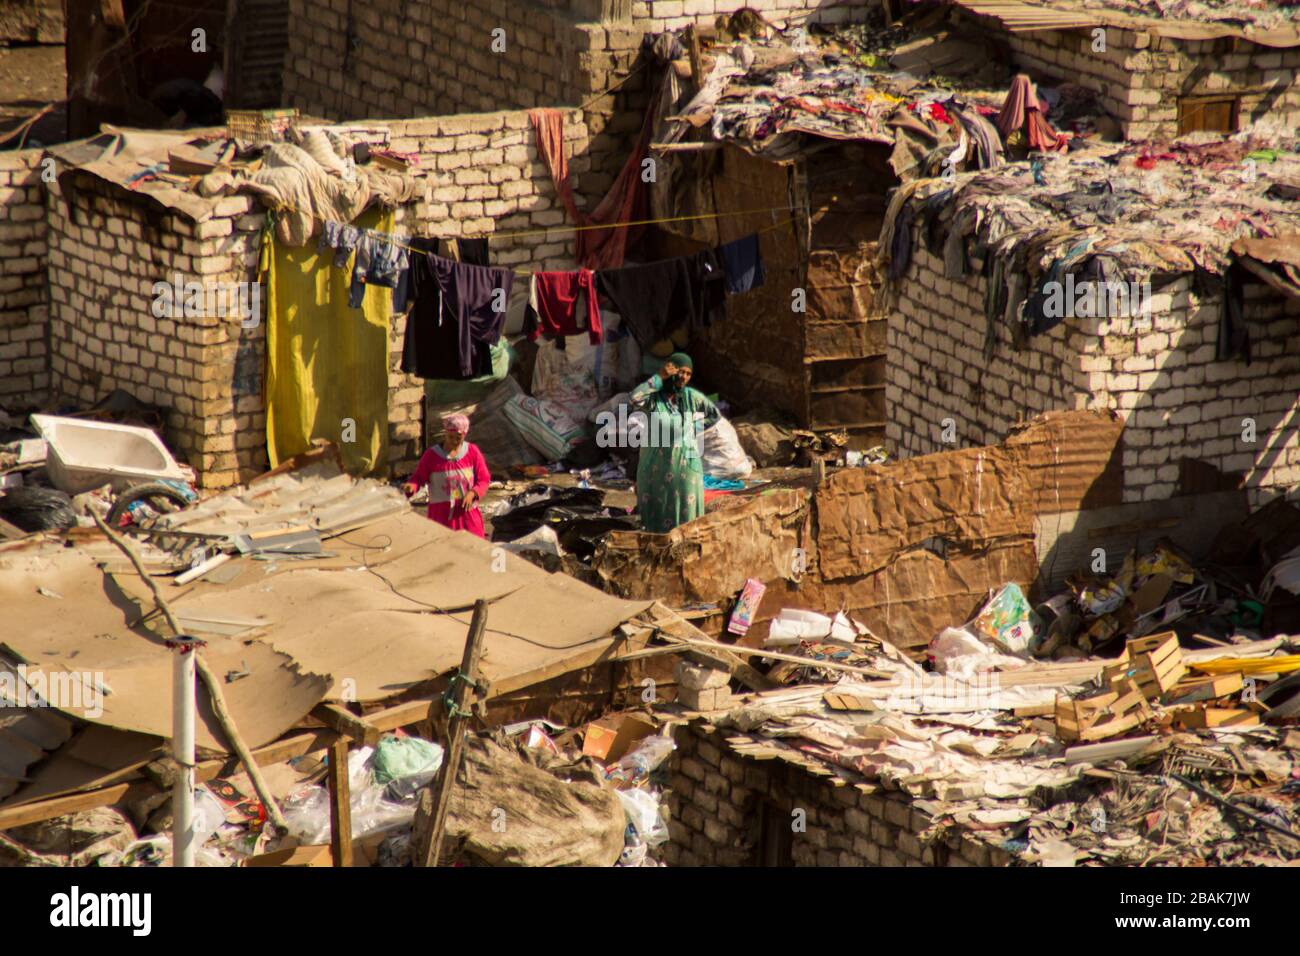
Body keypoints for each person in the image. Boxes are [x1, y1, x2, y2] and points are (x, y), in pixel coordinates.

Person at [628, 352, 719, 533]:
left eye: (688, 373)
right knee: (654, 521)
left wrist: (693, 427)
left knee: (686, 522)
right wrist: (659, 377)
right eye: (680, 371)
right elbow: (634, 398)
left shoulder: (691, 397)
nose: (684, 377)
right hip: (655, 468)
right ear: (671, 370)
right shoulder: (654, 398)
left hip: (686, 468)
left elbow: (714, 414)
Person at [402, 414, 490, 537]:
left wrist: (473, 493)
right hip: (441, 519)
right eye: (450, 437)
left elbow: (484, 479)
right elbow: (418, 478)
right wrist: (411, 487)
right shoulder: (431, 456)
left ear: (464, 435)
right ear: (445, 433)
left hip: (467, 518)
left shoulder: (472, 452)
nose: (454, 441)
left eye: (458, 438)